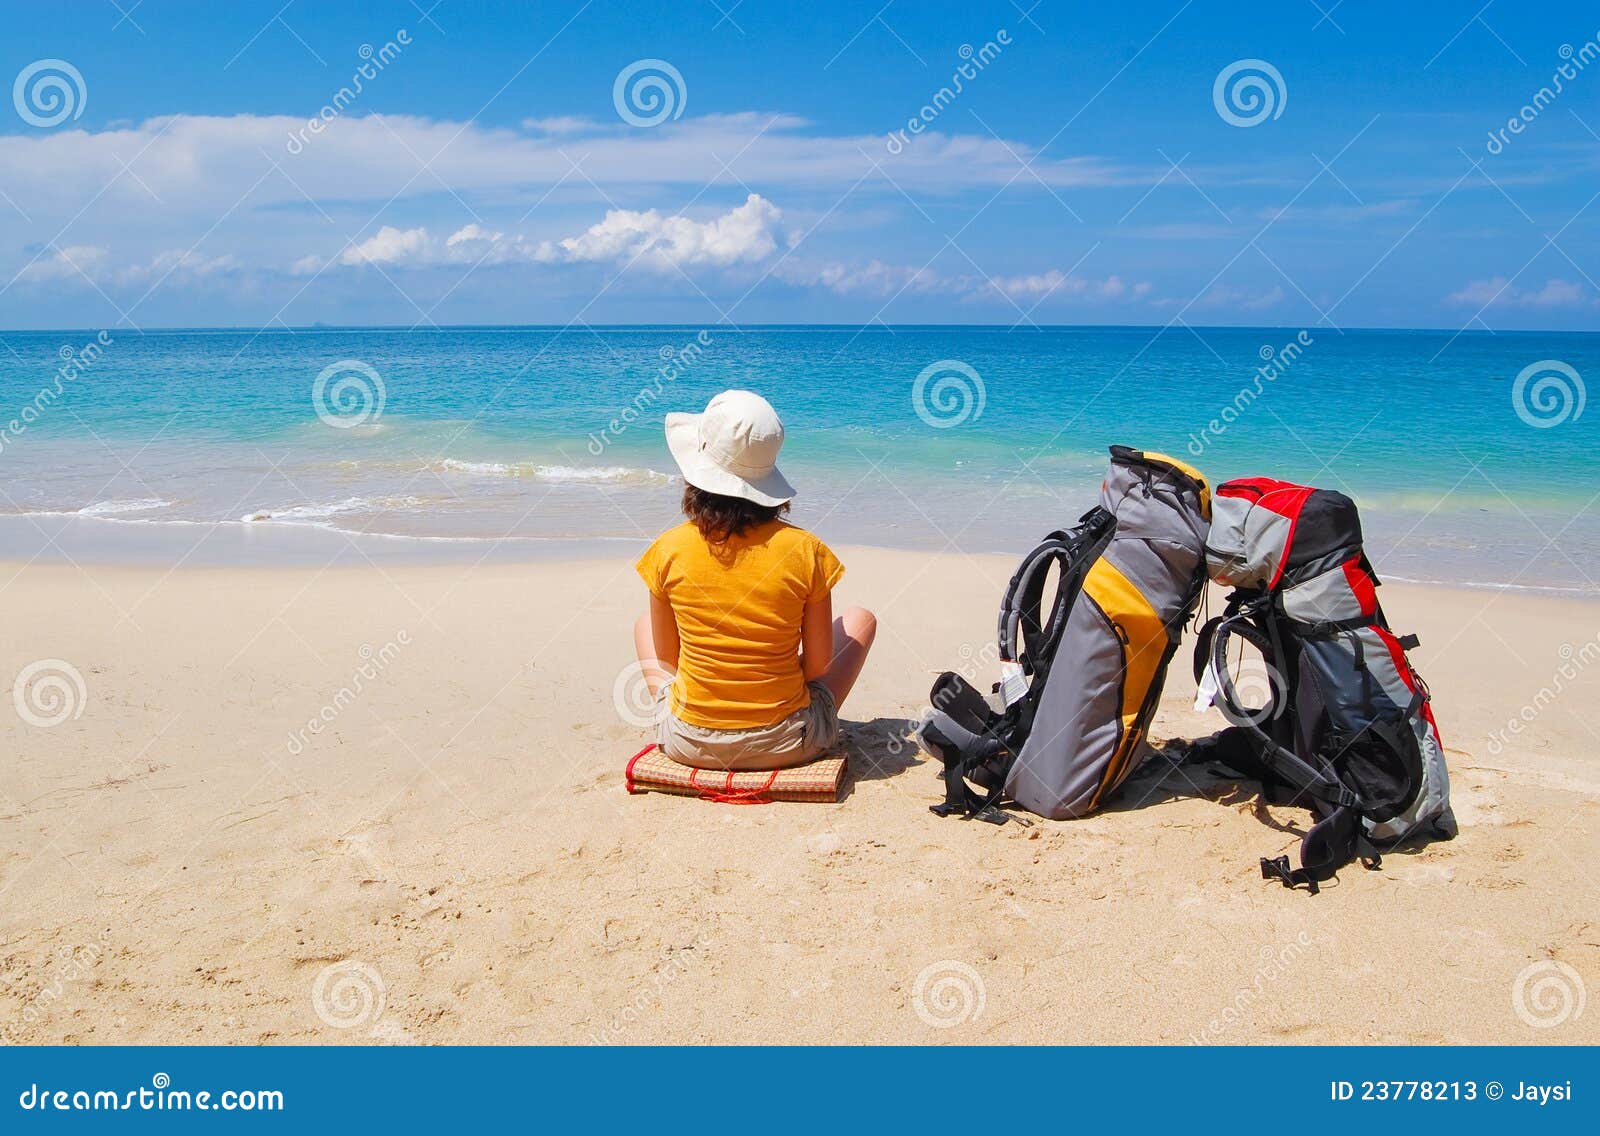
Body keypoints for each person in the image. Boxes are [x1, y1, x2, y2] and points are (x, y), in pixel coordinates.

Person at [633, 389, 876, 771]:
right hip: (786, 743)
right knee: (862, 618)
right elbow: (816, 668)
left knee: (644, 624)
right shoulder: (804, 550)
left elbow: (668, 659)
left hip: (688, 742)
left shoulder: (668, 549)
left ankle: (694, 714)